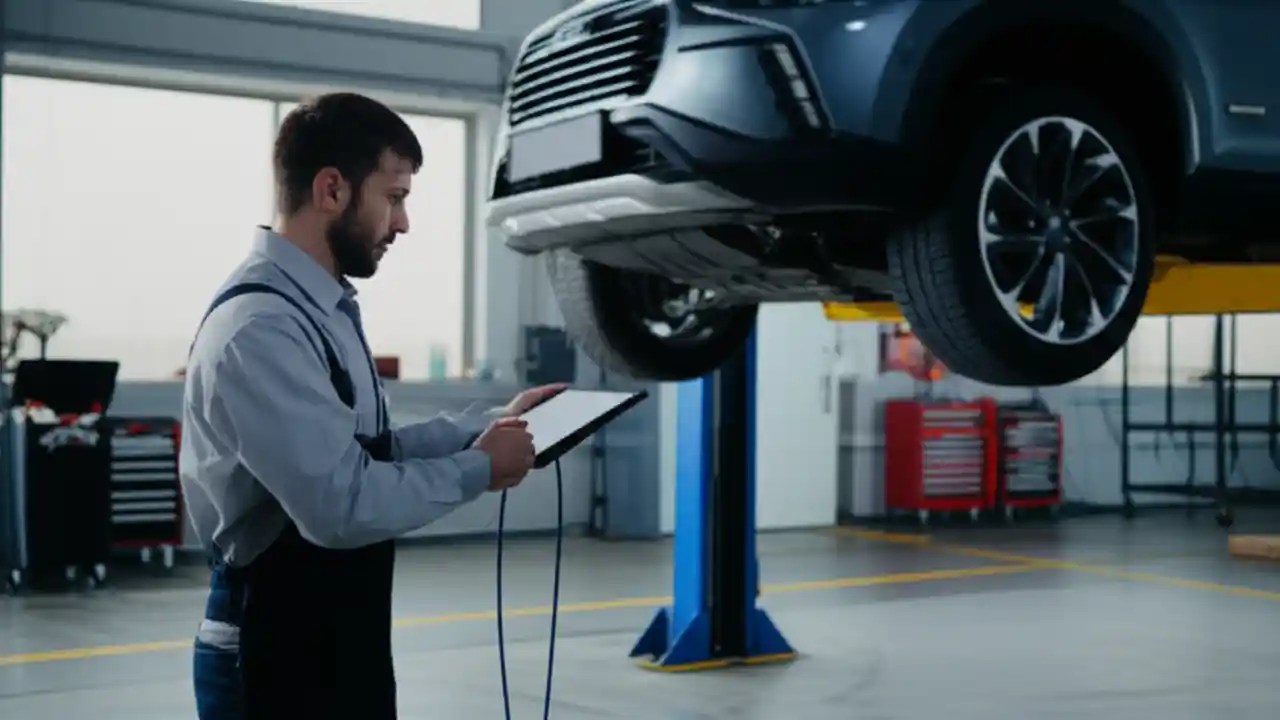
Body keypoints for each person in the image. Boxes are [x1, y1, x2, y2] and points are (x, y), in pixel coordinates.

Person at [179, 91, 565, 720]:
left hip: (333, 643)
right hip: (273, 658)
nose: (403, 222)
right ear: (332, 189)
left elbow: (369, 448)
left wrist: (491, 427)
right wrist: (480, 469)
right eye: (394, 197)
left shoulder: (319, 310)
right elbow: (340, 503)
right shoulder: (261, 329)